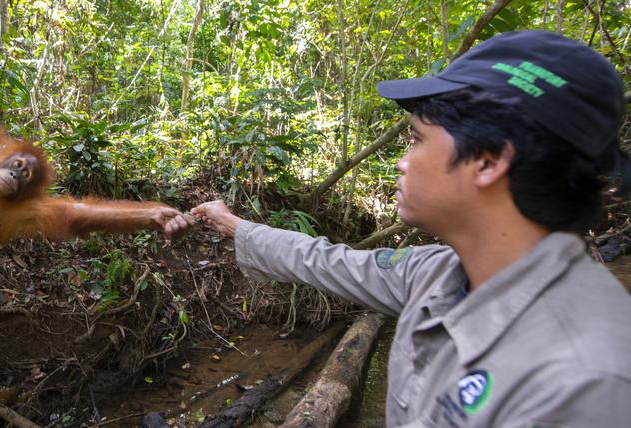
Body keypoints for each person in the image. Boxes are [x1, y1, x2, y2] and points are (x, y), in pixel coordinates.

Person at [185, 30, 631, 426]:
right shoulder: (436, 273)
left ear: (489, 161)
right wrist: (232, 224)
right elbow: (326, 261)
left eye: (416, 139)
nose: (402, 162)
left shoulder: (585, 380)